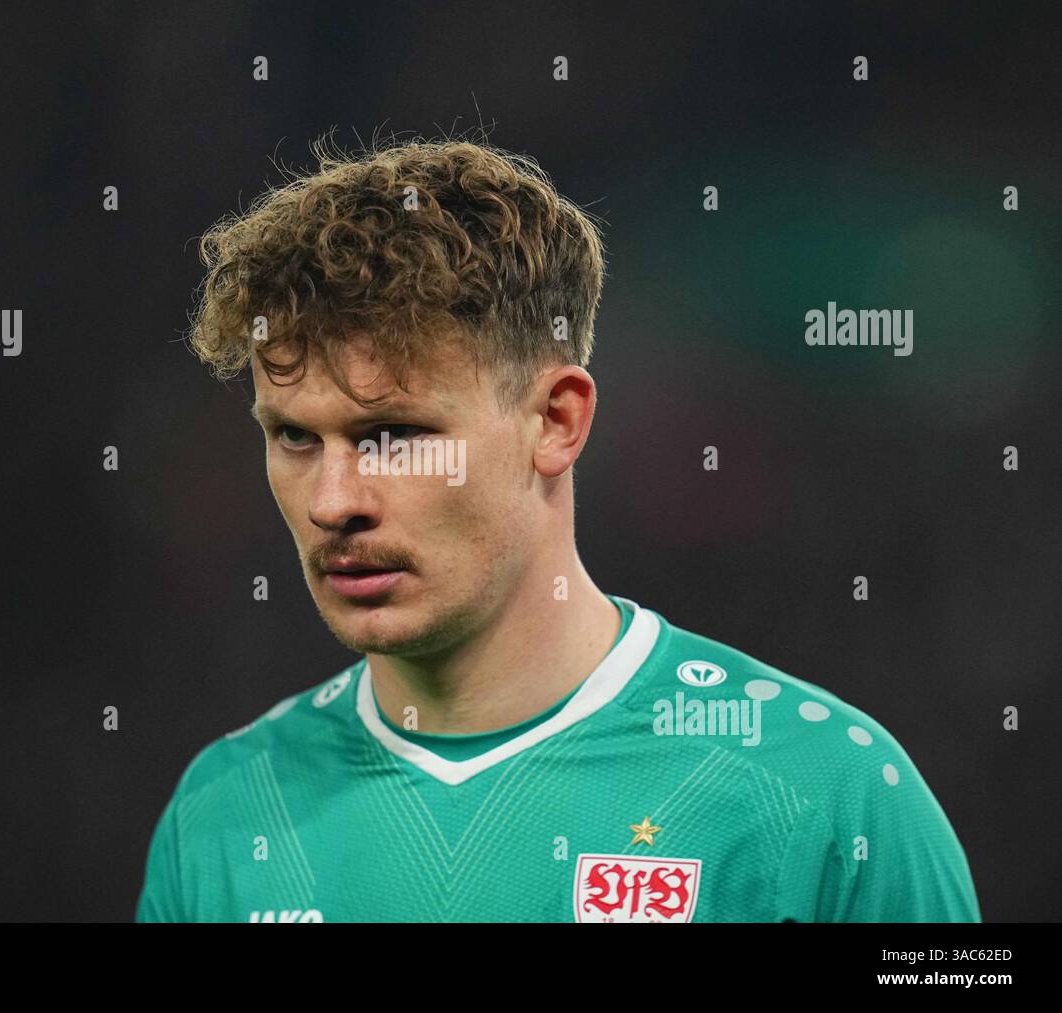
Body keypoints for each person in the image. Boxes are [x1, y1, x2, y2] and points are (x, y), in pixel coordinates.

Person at [137, 136, 979, 922]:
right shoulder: (222, 815)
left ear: (555, 419)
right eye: (293, 436)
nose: (332, 500)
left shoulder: (824, 792)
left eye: (393, 436)